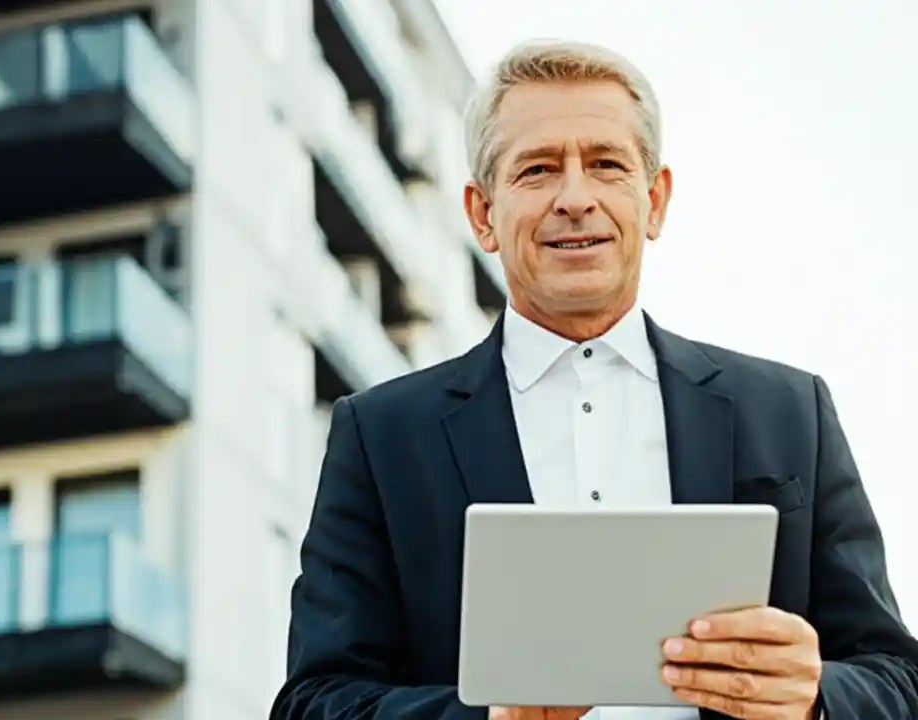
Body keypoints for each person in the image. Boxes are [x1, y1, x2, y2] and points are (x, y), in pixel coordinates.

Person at [270, 39, 918, 720]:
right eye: (537, 170)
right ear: (482, 214)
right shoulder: (382, 436)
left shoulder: (790, 413)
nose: (574, 198)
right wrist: (487, 719)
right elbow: (314, 701)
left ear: (655, 200)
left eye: (605, 164)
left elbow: (900, 681)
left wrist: (816, 696)